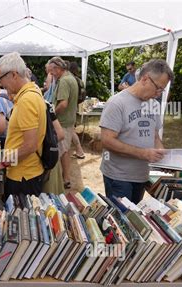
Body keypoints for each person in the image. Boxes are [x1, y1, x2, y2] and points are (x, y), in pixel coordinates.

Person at [100, 59, 173, 204]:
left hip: (141, 176)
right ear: (145, 79)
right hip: (119, 178)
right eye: (158, 88)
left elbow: (155, 135)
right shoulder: (117, 103)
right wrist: (144, 153)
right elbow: (107, 141)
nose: (159, 94)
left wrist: (163, 155)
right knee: (120, 221)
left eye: (162, 90)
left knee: (135, 218)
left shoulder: (153, 104)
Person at [0, 52, 46, 199]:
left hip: (23, 175)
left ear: (14, 75)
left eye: (0, 78)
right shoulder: (31, 92)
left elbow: (30, 145)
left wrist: (2, 163)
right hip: (25, 171)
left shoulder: (27, 99)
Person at [48, 56, 79, 190]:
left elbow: (63, 104)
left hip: (63, 122)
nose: (51, 75)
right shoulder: (70, 78)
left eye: (52, 71)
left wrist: (51, 115)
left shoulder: (64, 81)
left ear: (58, 68)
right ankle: (66, 178)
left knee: (61, 151)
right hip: (69, 121)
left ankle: (64, 179)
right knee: (65, 150)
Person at [68, 61, 86, 160]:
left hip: (70, 107)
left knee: (71, 130)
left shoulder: (71, 80)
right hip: (75, 106)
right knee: (71, 129)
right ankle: (79, 151)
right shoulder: (79, 80)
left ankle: (80, 151)